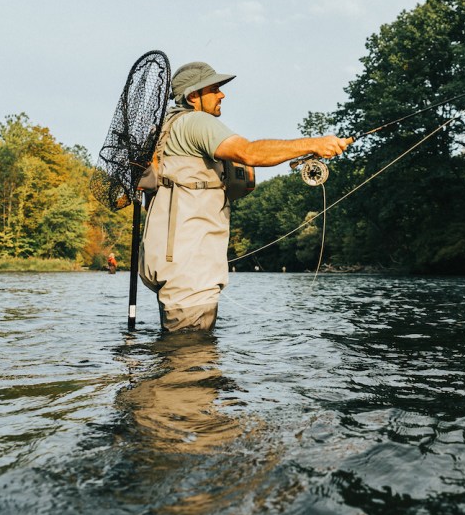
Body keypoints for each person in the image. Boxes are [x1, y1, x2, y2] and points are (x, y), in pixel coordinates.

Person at [138, 61, 350, 331]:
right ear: (193, 97)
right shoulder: (195, 121)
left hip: (169, 260)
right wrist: (314, 144)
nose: (222, 95)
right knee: (190, 359)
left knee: (178, 352)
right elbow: (249, 153)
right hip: (189, 265)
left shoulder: (165, 129)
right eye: (214, 89)